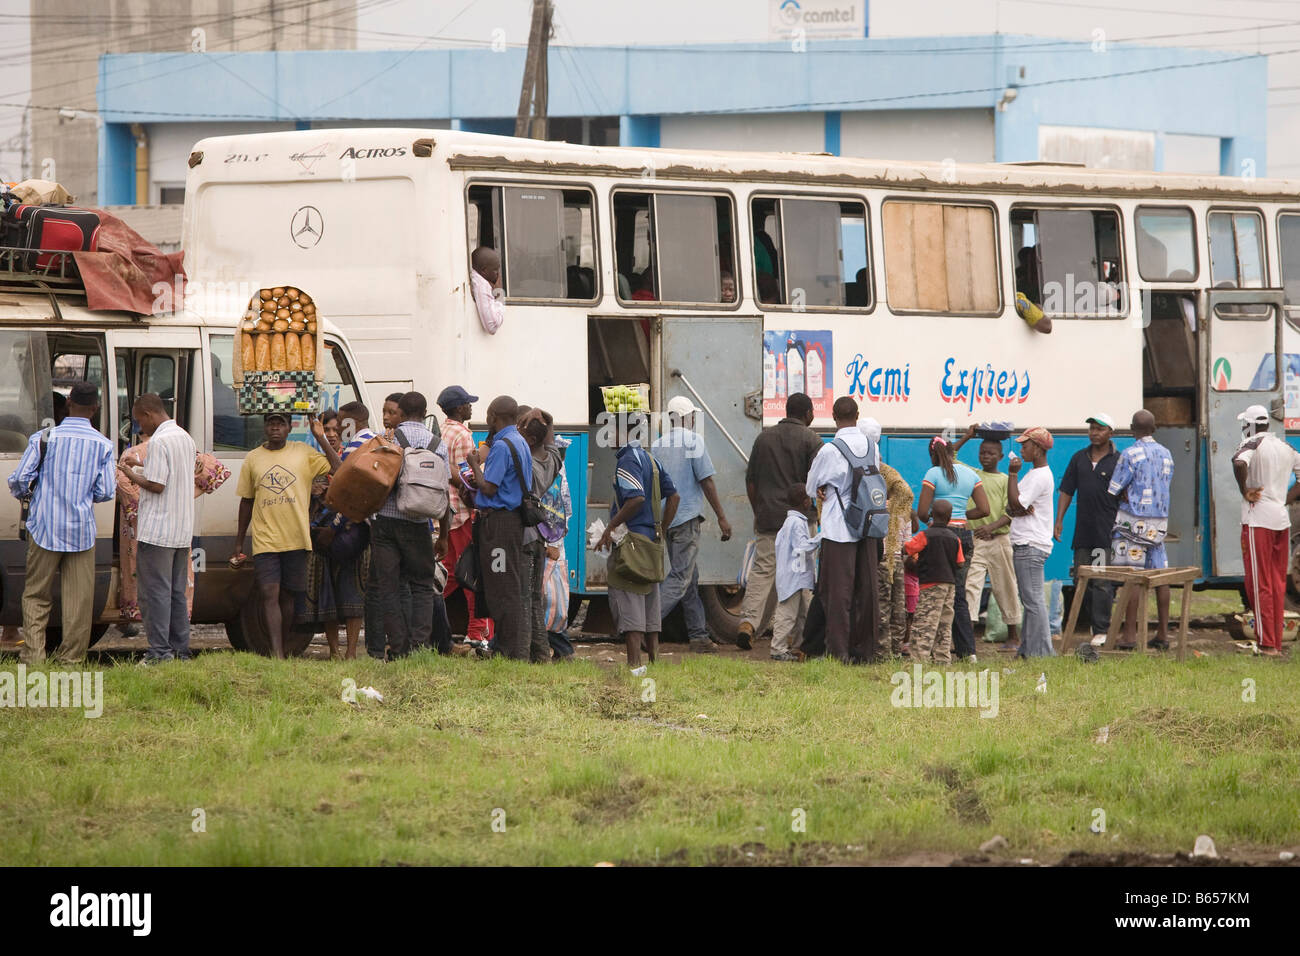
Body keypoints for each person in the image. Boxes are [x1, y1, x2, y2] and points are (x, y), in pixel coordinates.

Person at [7, 381, 115, 664]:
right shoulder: (103, 445)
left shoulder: (43, 439)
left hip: (44, 527)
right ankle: (71, 661)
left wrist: (29, 494)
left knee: (36, 595)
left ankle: (33, 658)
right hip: (81, 532)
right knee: (78, 601)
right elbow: (105, 491)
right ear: (95, 408)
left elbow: (19, 479)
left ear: (68, 403)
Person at [232, 411, 341, 659]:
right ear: (264, 428)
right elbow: (246, 502)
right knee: (269, 593)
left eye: (280, 423)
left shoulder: (304, 452)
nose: (275, 428)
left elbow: (338, 467)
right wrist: (238, 542)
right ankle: (278, 654)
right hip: (265, 539)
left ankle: (283, 645)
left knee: (289, 597)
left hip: (296, 538)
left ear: (290, 428)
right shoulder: (253, 458)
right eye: (270, 423)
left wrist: (321, 437)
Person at [115, 393, 197, 663]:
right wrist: (140, 464)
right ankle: (179, 651)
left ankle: (159, 652)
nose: (140, 428)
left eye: (140, 421)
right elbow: (172, 472)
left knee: (154, 594)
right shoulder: (184, 437)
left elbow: (157, 484)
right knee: (175, 593)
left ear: (149, 415)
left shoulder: (159, 441)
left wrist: (129, 474)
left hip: (158, 531)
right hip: (180, 531)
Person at [596, 411, 680, 671]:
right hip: (651, 540)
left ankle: (635, 666)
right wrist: (661, 529)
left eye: (611, 430)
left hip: (631, 541)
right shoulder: (650, 459)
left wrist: (609, 528)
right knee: (649, 599)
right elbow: (673, 496)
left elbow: (636, 498)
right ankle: (653, 663)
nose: (608, 435)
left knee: (627, 595)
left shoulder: (627, 460)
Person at [738, 392, 822, 649]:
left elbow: (751, 482)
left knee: (763, 569)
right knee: (803, 572)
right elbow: (819, 482)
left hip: (769, 517)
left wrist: (758, 510)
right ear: (808, 414)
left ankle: (748, 622)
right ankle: (804, 633)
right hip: (801, 520)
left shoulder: (763, 439)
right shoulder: (813, 440)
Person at [652, 395, 733, 654]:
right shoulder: (694, 442)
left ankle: (699, 636)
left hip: (667, 519)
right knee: (680, 577)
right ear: (688, 418)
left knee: (689, 576)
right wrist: (721, 517)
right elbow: (706, 481)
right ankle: (646, 625)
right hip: (686, 517)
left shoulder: (657, 445)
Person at [371, 392, 449, 659]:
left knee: (389, 587)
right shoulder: (438, 444)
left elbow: (376, 480)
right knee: (422, 586)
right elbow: (443, 493)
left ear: (401, 413)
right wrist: (444, 536)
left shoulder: (387, 438)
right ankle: (419, 647)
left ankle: (398, 649)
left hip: (386, 523)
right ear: (425, 413)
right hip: (418, 523)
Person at [804, 396, 880, 664]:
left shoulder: (829, 450)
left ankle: (840, 653)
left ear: (834, 417)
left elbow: (810, 486)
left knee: (838, 593)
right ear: (857, 415)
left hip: (838, 529)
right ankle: (865, 652)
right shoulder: (872, 446)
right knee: (866, 591)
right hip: (868, 526)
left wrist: (824, 488)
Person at [466, 395, 532, 660]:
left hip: (500, 525)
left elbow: (489, 487)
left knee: (501, 585)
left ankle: (507, 650)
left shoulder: (502, 445)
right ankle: (507, 647)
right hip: (511, 522)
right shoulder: (519, 441)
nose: (487, 420)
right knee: (508, 584)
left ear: (495, 416)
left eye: (489, 415)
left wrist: (473, 465)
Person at [1232, 404, 1300, 657]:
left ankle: (1267, 644)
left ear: (1249, 425)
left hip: (1258, 519)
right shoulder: (1286, 447)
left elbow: (1239, 463)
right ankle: (1276, 641)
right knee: (1276, 581)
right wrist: (1285, 499)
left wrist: (1245, 490)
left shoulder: (1250, 444)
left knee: (1259, 582)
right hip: (1281, 520)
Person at [916, 435, 990, 662]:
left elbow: (921, 512)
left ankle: (931, 650)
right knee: (958, 594)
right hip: (963, 536)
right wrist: (959, 515)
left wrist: (939, 518)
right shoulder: (971, 475)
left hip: (939, 537)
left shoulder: (933, 474)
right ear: (951, 451)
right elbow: (984, 510)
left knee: (933, 592)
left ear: (932, 455)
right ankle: (969, 652)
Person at [1107, 409, 1175, 650]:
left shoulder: (1130, 454)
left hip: (1131, 525)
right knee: (1161, 577)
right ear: (1154, 429)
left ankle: (1129, 636)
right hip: (1158, 525)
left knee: (1132, 578)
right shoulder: (1167, 454)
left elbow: (1114, 488)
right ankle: (1163, 634)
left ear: (1132, 428)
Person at [1053, 413, 1120, 646]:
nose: (1094, 433)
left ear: (1111, 432)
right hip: (1083, 533)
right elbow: (1066, 490)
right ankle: (1092, 624)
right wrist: (1059, 520)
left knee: (1101, 579)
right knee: (1083, 579)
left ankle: (1101, 629)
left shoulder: (1117, 460)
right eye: (1091, 428)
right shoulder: (1079, 458)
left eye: (1099, 429)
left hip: (1105, 534)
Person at [953, 425, 1022, 650]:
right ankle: (968, 637)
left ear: (1001, 456)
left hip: (999, 540)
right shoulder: (972, 475)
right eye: (983, 452)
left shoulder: (1005, 480)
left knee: (1005, 586)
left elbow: (1011, 511)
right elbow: (948, 455)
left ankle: (1013, 635)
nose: (986, 456)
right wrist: (967, 436)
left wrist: (991, 527)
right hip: (975, 541)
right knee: (970, 587)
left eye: (991, 453)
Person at [437, 384, 492, 648]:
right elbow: (464, 478)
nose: (471, 406)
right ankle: (477, 631)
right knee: (471, 573)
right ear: (459, 408)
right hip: (461, 513)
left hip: (444, 513)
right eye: (468, 403)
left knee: (445, 574)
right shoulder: (463, 435)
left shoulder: (441, 430)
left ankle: (420, 617)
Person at [863, 417, 914, 659]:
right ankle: (893, 651)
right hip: (898, 560)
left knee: (882, 607)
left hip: (882, 560)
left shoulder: (876, 506)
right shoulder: (901, 509)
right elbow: (907, 540)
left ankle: (882, 652)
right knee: (898, 608)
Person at [519, 407, 565, 663]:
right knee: (535, 597)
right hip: (539, 535)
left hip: (525, 534)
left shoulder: (528, 465)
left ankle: (527, 652)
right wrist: (544, 416)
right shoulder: (553, 459)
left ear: (531, 440)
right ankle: (541, 655)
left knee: (525, 597)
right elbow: (551, 438)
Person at [1006, 426, 1056, 658]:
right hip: (1030, 543)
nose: (1020, 450)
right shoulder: (1037, 474)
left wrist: (1012, 474)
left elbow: (1015, 505)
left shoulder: (1037, 476)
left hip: (1030, 544)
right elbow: (1013, 507)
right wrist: (1016, 506)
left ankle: (1041, 652)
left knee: (1033, 601)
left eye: (1024, 446)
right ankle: (1028, 651)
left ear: (1037, 449)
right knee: (1031, 600)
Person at [904, 499, 966, 664]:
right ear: (950, 517)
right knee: (944, 623)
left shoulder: (925, 535)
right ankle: (942, 659)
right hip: (950, 585)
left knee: (925, 621)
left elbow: (908, 548)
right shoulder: (954, 538)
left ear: (931, 515)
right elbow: (960, 562)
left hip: (930, 584)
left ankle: (919, 659)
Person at [772, 483, 818, 661]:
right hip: (793, 576)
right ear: (805, 502)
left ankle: (798, 647)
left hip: (793, 576)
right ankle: (778, 649)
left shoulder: (789, 522)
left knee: (801, 615)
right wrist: (820, 538)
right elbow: (801, 547)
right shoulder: (797, 523)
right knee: (788, 615)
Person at [471, 246, 505, 334]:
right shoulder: (482, 285)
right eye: (495, 270)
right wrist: (499, 294)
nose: (498, 274)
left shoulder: (477, 277)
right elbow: (492, 327)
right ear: (484, 271)